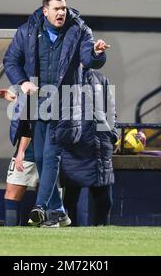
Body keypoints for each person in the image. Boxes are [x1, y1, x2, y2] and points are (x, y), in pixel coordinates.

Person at [3, 0, 110, 227]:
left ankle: (40, 207)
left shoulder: (80, 29)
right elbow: (10, 60)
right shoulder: (27, 31)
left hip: (65, 104)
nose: (61, 13)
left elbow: (89, 58)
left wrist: (96, 53)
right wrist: (23, 82)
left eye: (64, 8)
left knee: (52, 155)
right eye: (56, 9)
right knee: (41, 158)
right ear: (45, 11)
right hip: (37, 104)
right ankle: (59, 211)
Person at [60, 68, 118, 226]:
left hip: (98, 148)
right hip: (74, 148)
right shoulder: (64, 77)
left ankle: (101, 235)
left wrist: (111, 134)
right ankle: (68, 239)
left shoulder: (100, 78)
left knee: (105, 201)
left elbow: (111, 110)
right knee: (71, 200)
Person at [0, 88, 39, 226]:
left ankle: (10, 234)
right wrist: (16, 98)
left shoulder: (33, 86)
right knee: (49, 197)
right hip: (48, 151)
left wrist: (21, 151)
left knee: (11, 195)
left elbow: (28, 124)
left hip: (29, 151)